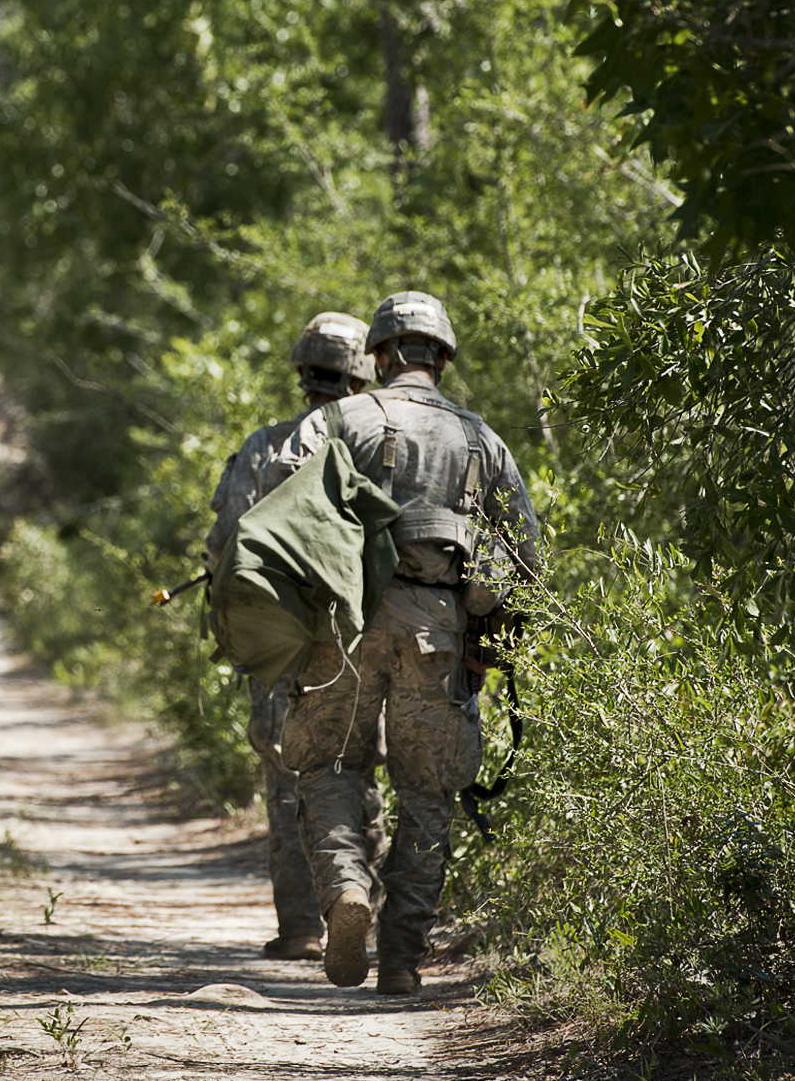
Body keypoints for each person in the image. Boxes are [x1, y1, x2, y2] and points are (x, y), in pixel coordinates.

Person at [274, 291, 541, 993]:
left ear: (380, 355)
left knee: (330, 770)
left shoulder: (337, 419)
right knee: (426, 794)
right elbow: (525, 558)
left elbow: (275, 510)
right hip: (438, 633)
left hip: (341, 628)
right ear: (443, 358)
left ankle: (343, 894)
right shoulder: (482, 439)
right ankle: (400, 960)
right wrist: (492, 645)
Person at [203, 311, 382, 962]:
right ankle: (361, 904)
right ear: (362, 369)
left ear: (303, 370)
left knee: (287, 779)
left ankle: (303, 926)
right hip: (366, 637)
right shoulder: (379, 441)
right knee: (358, 772)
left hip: (283, 646)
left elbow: (226, 543)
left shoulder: (261, 447)